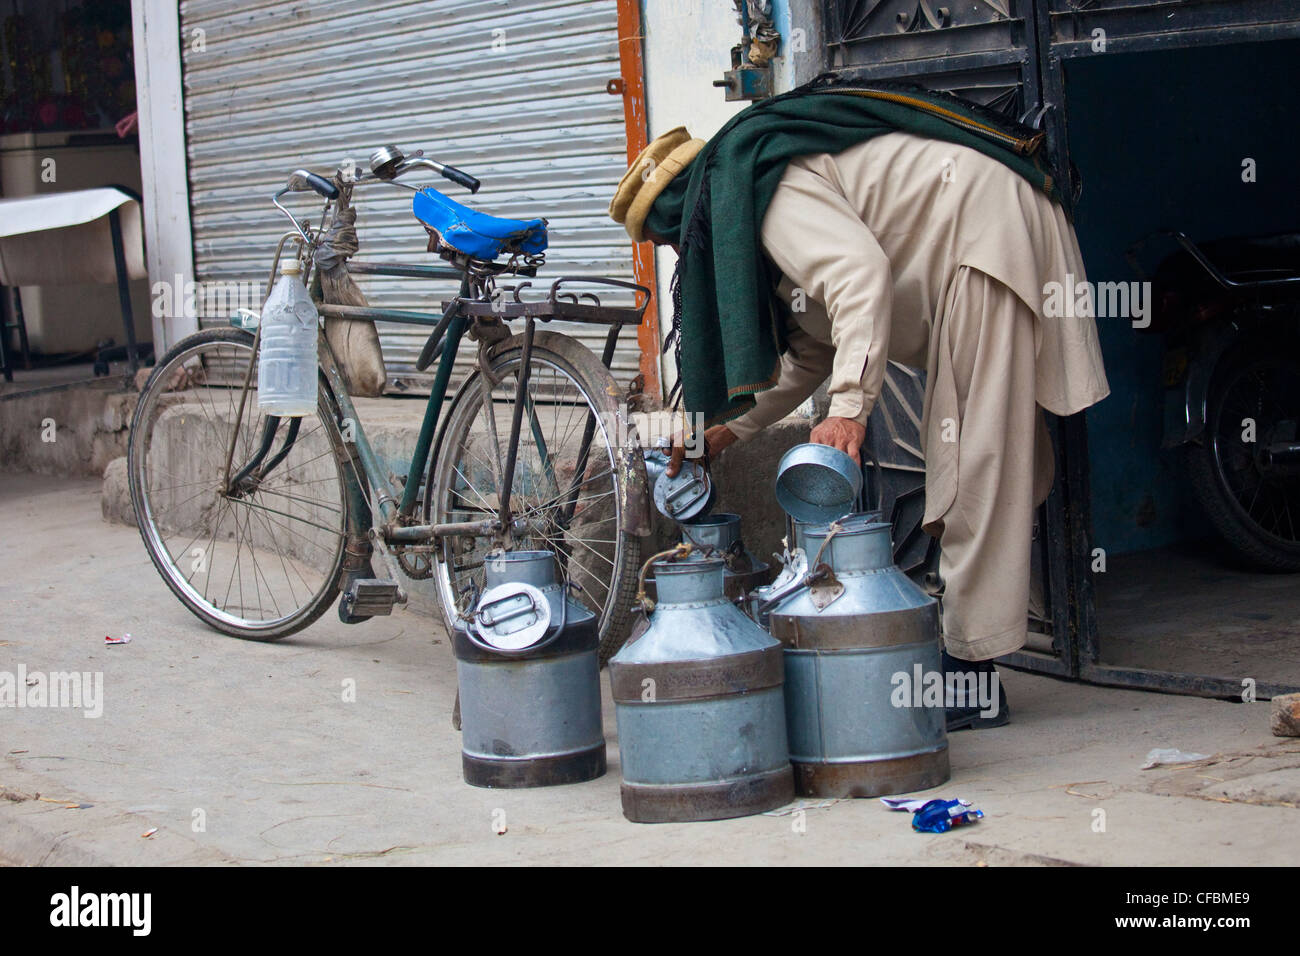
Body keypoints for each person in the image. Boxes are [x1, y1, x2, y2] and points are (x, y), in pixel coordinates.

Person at [609, 79, 1109, 730]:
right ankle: (988, 621)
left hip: (986, 240)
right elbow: (810, 348)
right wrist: (725, 432)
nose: (681, 253)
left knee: (970, 468)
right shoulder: (751, 211)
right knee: (992, 459)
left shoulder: (773, 194)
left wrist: (847, 410)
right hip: (981, 246)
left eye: (675, 237)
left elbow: (858, 277)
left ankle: (971, 678)